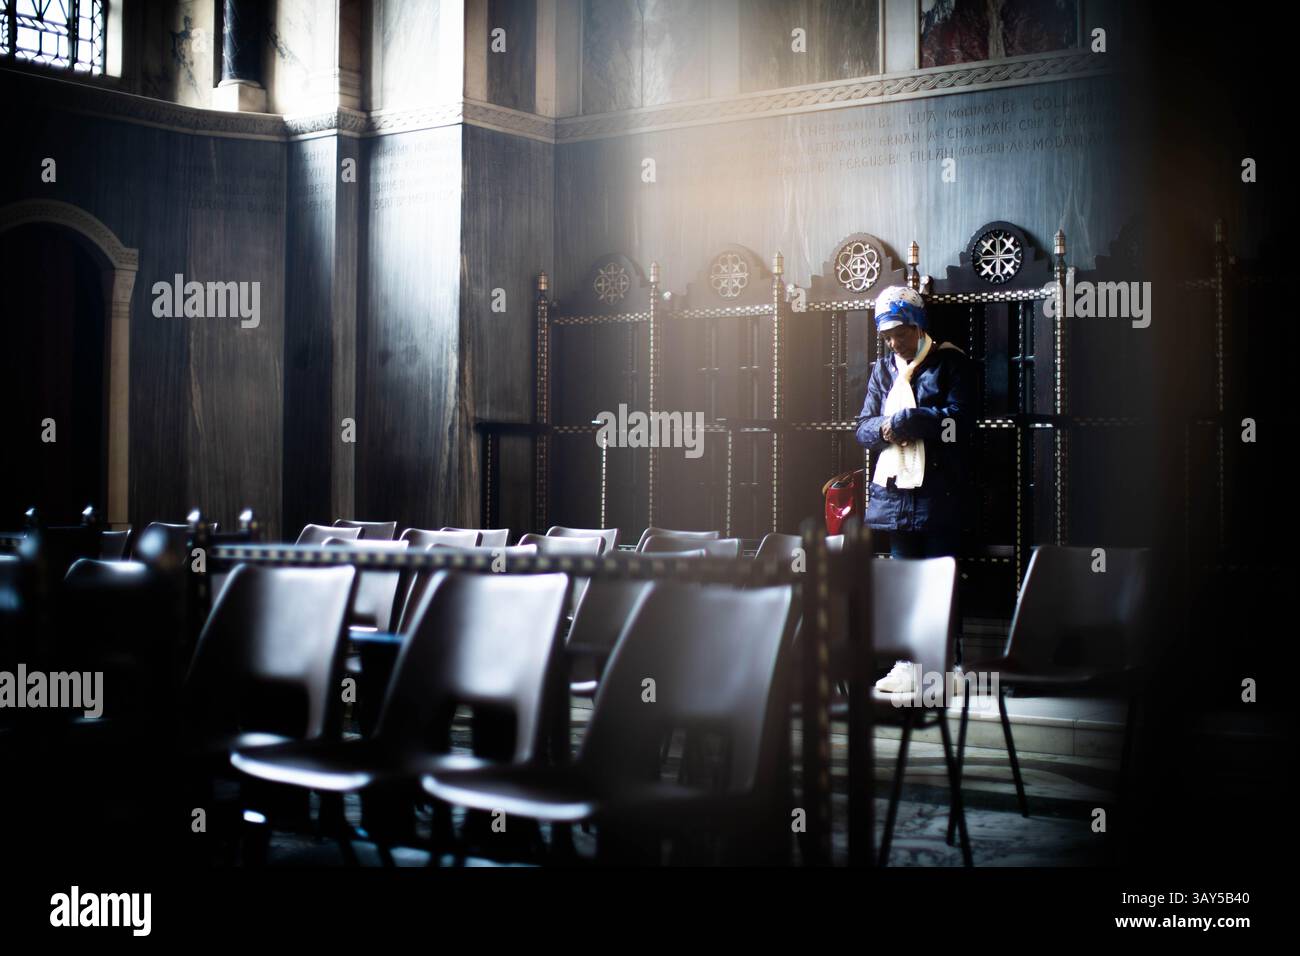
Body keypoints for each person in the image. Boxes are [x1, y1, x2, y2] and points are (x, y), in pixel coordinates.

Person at [854, 286, 969, 691]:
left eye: (900, 332)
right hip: (896, 494)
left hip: (939, 490)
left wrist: (908, 421)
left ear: (918, 326)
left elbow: (958, 422)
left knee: (941, 578)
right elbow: (864, 427)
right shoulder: (882, 369)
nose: (894, 342)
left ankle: (947, 664)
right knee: (906, 579)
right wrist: (886, 427)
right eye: (887, 335)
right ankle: (907, 663)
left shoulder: (950, 362)